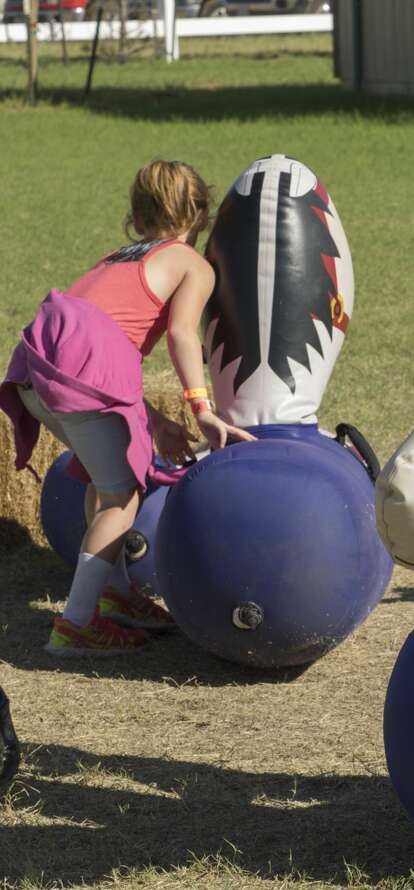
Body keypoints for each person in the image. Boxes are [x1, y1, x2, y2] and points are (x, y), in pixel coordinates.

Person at [1, 160, 254, 657]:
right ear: (200, 217)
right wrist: (199, 406)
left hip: (39, 364)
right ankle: (76, 626)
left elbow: (97, 358)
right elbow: (181, 333)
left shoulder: (118, 256)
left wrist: (154, 422)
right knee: (121, 497)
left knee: (104, 482)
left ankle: (116, 594)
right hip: (82, 366)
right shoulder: (191, 263)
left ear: (137, 221)